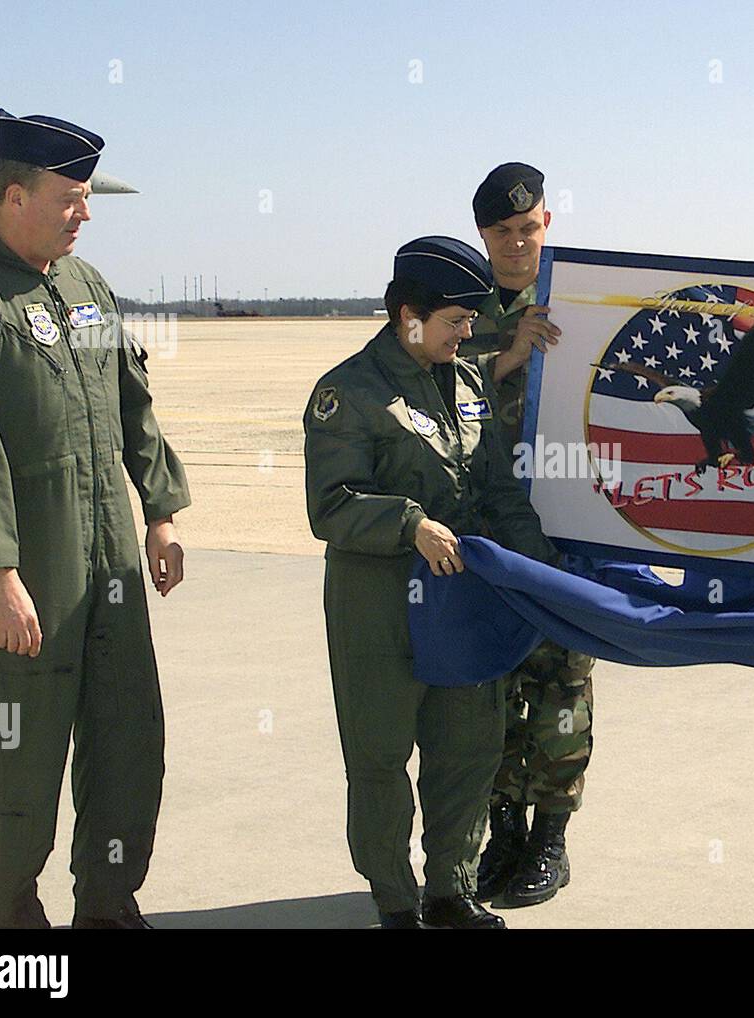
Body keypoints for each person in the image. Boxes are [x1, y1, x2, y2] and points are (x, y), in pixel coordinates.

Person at [0, 109, 190, 929]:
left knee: (126, 747)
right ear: (11, 197)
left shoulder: (88, 289)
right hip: (33, 573)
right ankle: (15, 925)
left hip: (111, 566)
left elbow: (134, 406)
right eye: (70, 196)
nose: (86, 212)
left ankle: (109, 909)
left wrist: (161, 514)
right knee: (21, 764)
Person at [303, 235, 561, 929]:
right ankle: (394, 899)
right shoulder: (347, 393)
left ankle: (450, 890)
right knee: (381, 754)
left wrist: (544, 573)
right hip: (378, 602)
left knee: (467, 748)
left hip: (462, 600)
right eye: (455, 321)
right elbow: (329, 506)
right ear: (408, 315)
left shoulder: (471, 384)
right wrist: (410, 522)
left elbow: (502, 492)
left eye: (472, 322)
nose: (468, 334)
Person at [463, 163, 595, 908]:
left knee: (561, 686)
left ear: (548, 225)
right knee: (488, 685)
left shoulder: (584, 299)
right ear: (483, 234)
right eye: (503, 232)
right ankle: (501, 828)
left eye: (530, 229)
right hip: (483, 527)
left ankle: (550, 835)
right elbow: (415, 374)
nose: (518, 244)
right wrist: (503, 357)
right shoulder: (456, 304)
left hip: (567, 526)